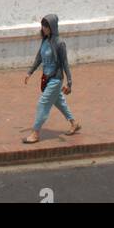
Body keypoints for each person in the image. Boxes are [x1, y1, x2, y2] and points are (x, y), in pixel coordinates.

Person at [22, 13, 81, 143]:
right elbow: (39, 58)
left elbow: (65, 64)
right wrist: (29, 72)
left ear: (53, 27)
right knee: (59, 102)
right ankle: (74, 123)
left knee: (43, 103)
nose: (44, 28)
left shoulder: (60, 43)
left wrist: (69, 83)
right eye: (43, 25)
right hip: (46, 78)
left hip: (55, 79)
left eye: (46, 26)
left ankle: (35, 133)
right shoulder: (45, 41)